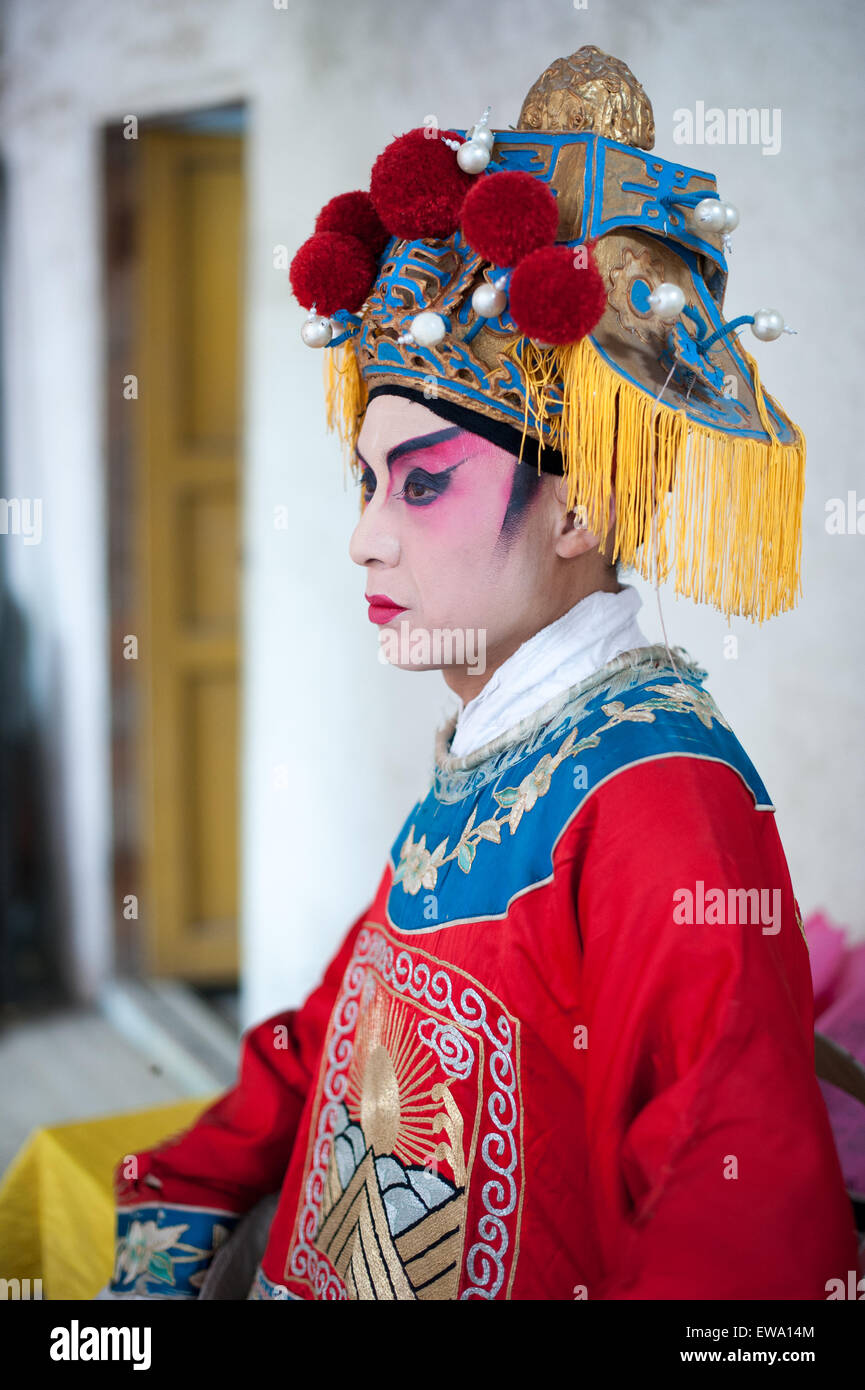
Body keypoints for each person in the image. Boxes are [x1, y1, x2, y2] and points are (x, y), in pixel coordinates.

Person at [99, 45, 859, 1301]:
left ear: (583, 504)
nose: (364, 534)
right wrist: (180, 1189)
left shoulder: (660, 804)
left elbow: (741, 1219)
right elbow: (352, 1011)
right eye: (366, 478)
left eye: (423, 480)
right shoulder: (509, 750)